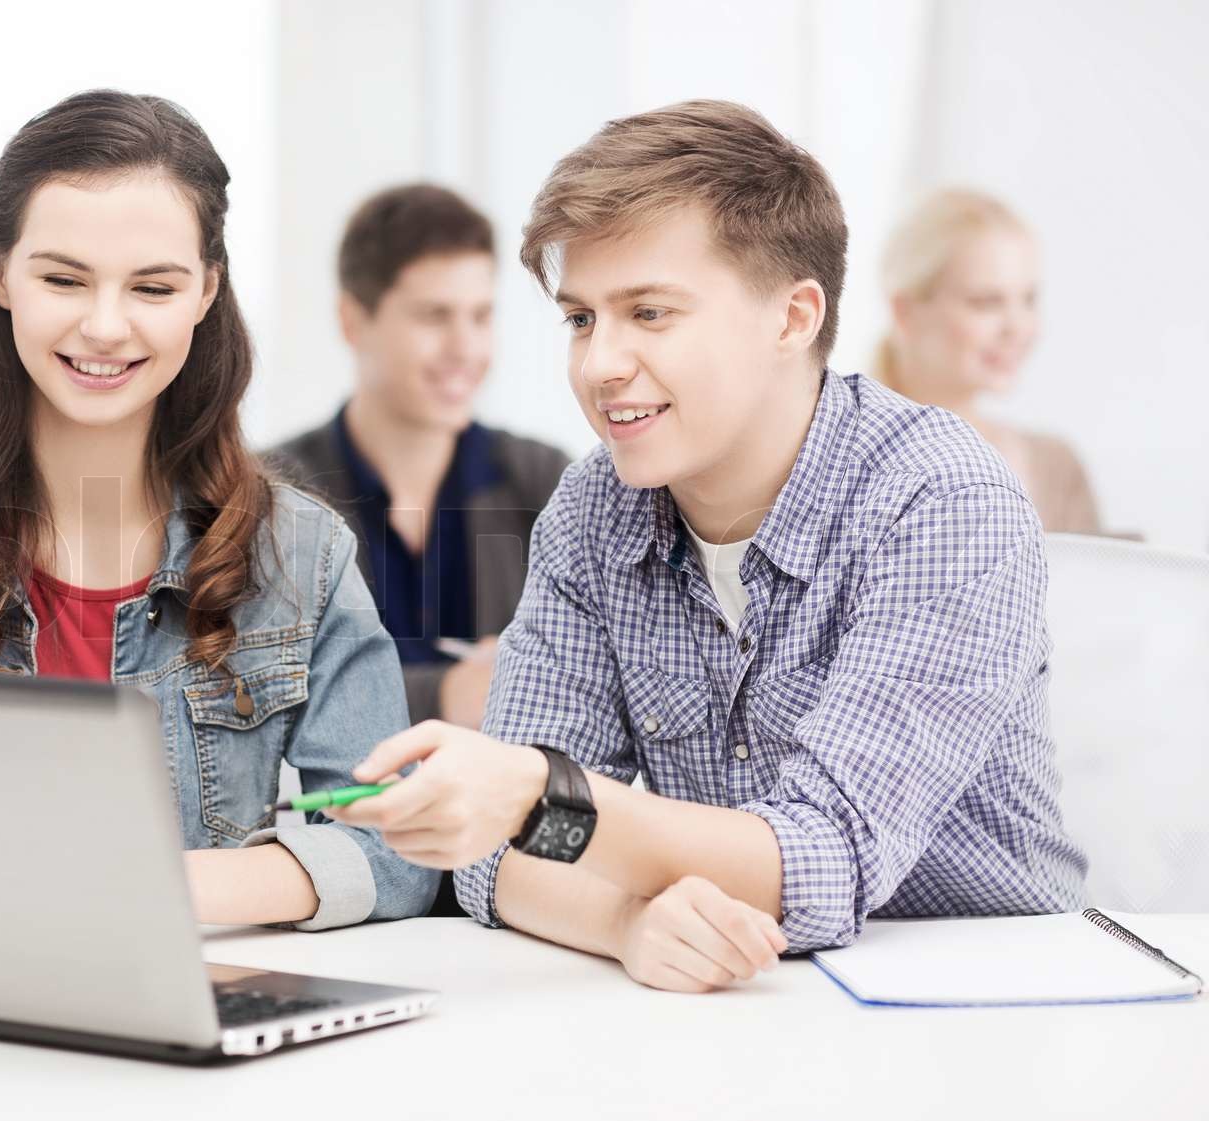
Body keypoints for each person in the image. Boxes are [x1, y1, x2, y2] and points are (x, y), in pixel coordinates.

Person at [326, 100, 1088, 992]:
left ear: (793, 317)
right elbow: (499, 859)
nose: (599, 363)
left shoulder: (940, 499)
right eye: (580, 318)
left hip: (998, 997)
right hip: (748, 1001)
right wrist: (625, 919)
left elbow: (820, 857)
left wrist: (545, 794)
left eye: (649, 313)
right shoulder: (593, 506)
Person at [0, 90, 437, 931]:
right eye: (64, 278)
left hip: (184, 1019)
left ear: (207, 291)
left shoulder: (300, 553)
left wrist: (126, 891)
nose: (105, 325)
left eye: (152, 286)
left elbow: (390, 849)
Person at [268, 184, 570, 730]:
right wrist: (450, 694)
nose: (466, 350)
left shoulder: (543, 481)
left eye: (480, 317)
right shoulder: (273, 492)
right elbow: (268, 689)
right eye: (435, 316)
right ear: (353, 322)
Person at [873, 189, 1100, 534]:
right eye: (985, 302)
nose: (1018, 327)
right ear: (904, 312)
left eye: (1028, 300)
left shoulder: (1056, 468)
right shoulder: (838, 459)